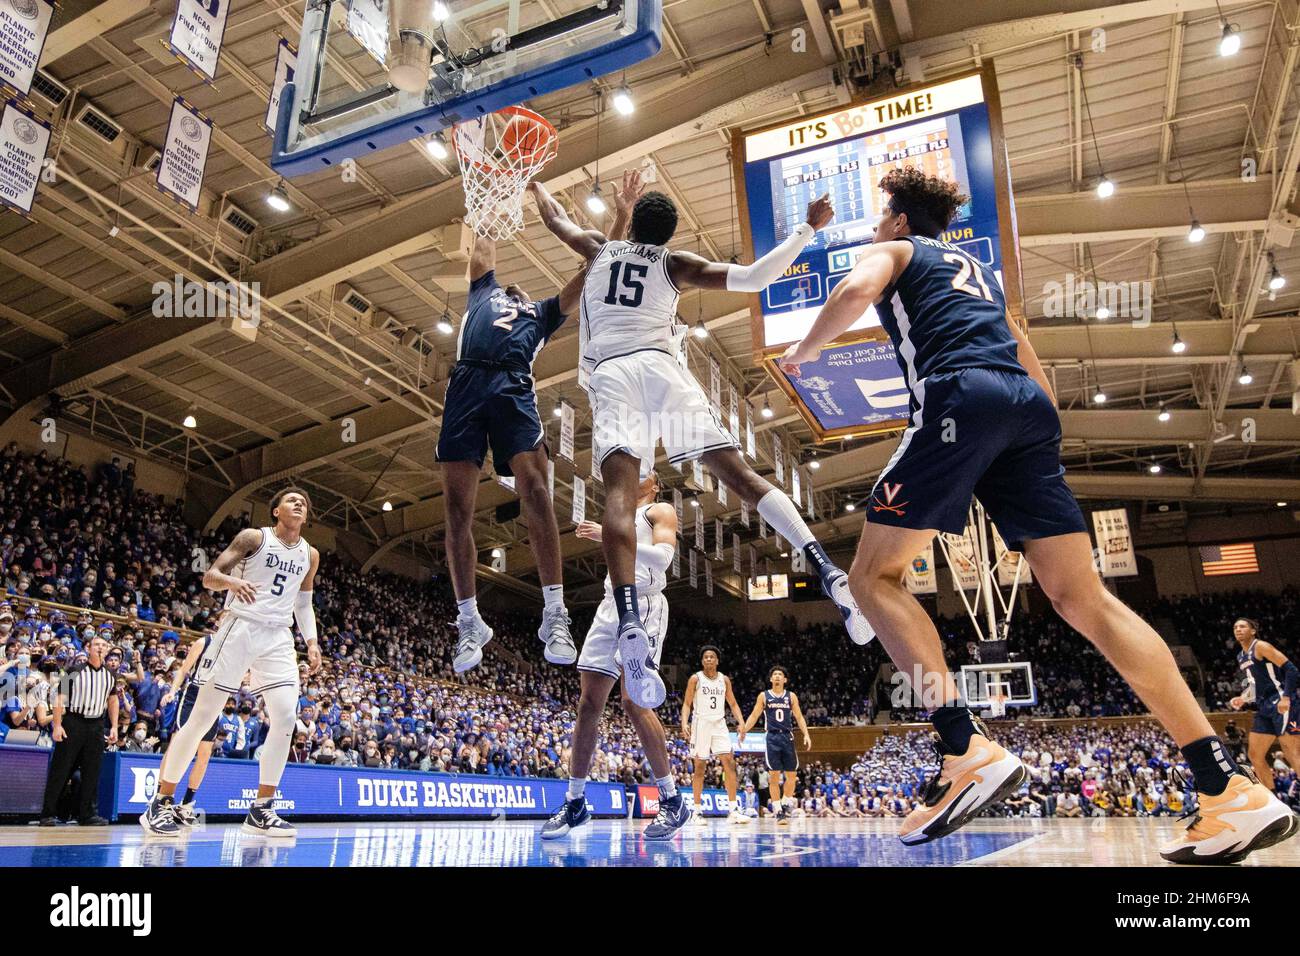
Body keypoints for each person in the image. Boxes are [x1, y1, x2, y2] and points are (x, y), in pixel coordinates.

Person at [777, 165, 1297, 864]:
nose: (877, 232)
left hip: (960, 395)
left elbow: (854, 288)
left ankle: (962, 746)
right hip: (1028, 411)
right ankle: (1224, 787)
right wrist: (1029, 437)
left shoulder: (897, 250)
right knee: (1085, 598)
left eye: (879, 222)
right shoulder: (981, 275)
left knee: (872, 580)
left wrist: (803, 355)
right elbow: (1030, 361)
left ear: (899, 221)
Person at [530, 175, 873, 710]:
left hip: (615, 374)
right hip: (664, 369)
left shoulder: (600, 249)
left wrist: (534, 183)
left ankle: (627, 622)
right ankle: (824, 565)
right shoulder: (673, 264)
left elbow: (555, 218)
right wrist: (809, 225)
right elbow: (758, 277)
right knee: (740, 475)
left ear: (633, 221)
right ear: (667, 235)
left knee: (619, 498)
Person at [437, 173, 639, 674]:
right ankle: (469, 621)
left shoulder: (543, 312)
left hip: (512, 388)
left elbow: (598, 265)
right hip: (466, 386)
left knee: (536, 490)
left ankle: (555, 613)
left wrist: (622, 216)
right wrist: (501, 183)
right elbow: (483, 236)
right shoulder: (480, 292)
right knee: (456, 510)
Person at [140, 487, 321, 838]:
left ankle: (262, 809)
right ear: (275, 511)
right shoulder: (254, 537)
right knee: (203, 717)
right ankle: (160, 802)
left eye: (304, 501)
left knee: (286, 719)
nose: (299, 502)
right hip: (240, 627)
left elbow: (303, 603)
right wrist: (232, 581)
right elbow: (210, 576)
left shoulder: (310, 555)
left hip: (279, 637)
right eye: (291, 499)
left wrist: (311, 641)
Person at [541, 472, 690, 841]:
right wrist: (609, 532)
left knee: (633, 701)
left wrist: (613, 537)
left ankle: (672, 800)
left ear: (655, 483)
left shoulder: (660, 510)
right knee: (588, 703)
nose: (635, 472)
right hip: (610, 605)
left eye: (644, 471)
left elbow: (664, 558)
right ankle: (575, 801)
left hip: (645, 604)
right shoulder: (617, 513)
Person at [39, 634, 117, 826]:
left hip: (97, 725)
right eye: (97, 644)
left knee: (92, 771)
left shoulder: (111, 675)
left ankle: (87, 814)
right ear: (89, 648)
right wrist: (57, 725)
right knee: (62, 769)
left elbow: (113, 700)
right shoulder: (73, 670)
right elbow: (59, 699)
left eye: (104, 645)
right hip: (73, 722)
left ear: (107, 650)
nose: (100, 647)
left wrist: (114, 726)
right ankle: (48, 813)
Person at [157, 620, 226, 826]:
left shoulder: (235, 650)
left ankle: (185, 805)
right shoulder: (204, 642)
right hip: (193, 695)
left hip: (214, 699)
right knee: (177, 746)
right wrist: (172, 691)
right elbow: (184, 670)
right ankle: (160, 801)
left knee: (204, 755)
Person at [1228, 617, 1300, 790]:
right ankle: (1275, 803)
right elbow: (1254, 685)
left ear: (1253, 631)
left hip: (1281, 700)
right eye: (1235, 627)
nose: (1238, 629)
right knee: (1255, 755)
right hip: (1264, 706)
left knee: (1291, 751)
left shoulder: (1261, 646)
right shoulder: (1241, 656)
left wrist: (1286, 698)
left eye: (1243, 626)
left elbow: (1291, 670)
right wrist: (1243, 698)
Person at [681, 646, 749, 824]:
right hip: (700, 723)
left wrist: (741, 722)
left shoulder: (724, 680)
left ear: (717, 661)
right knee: (700, 767)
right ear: (702, 661)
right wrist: (684, 722)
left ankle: (733, 810)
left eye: (712, 657)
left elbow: (733, 703)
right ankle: (696, 812)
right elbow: (687, 704)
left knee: (730, 762)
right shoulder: (695, 679)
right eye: (706, 657)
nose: (709, 659)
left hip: (719, 723)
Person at [740, 666, 810, 824]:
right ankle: (778, 810)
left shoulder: (791, 696)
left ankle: (784, 804)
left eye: (780, 675)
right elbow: (754, 715)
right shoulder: (763, 696)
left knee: (792, 776)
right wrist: (744, 730)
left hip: (787, 737)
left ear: (785, 680)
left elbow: (798, 716)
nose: (777, 676)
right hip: (772, 737)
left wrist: (806, 734)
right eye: (774, 675)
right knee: (774, 776)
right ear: (771, 679)